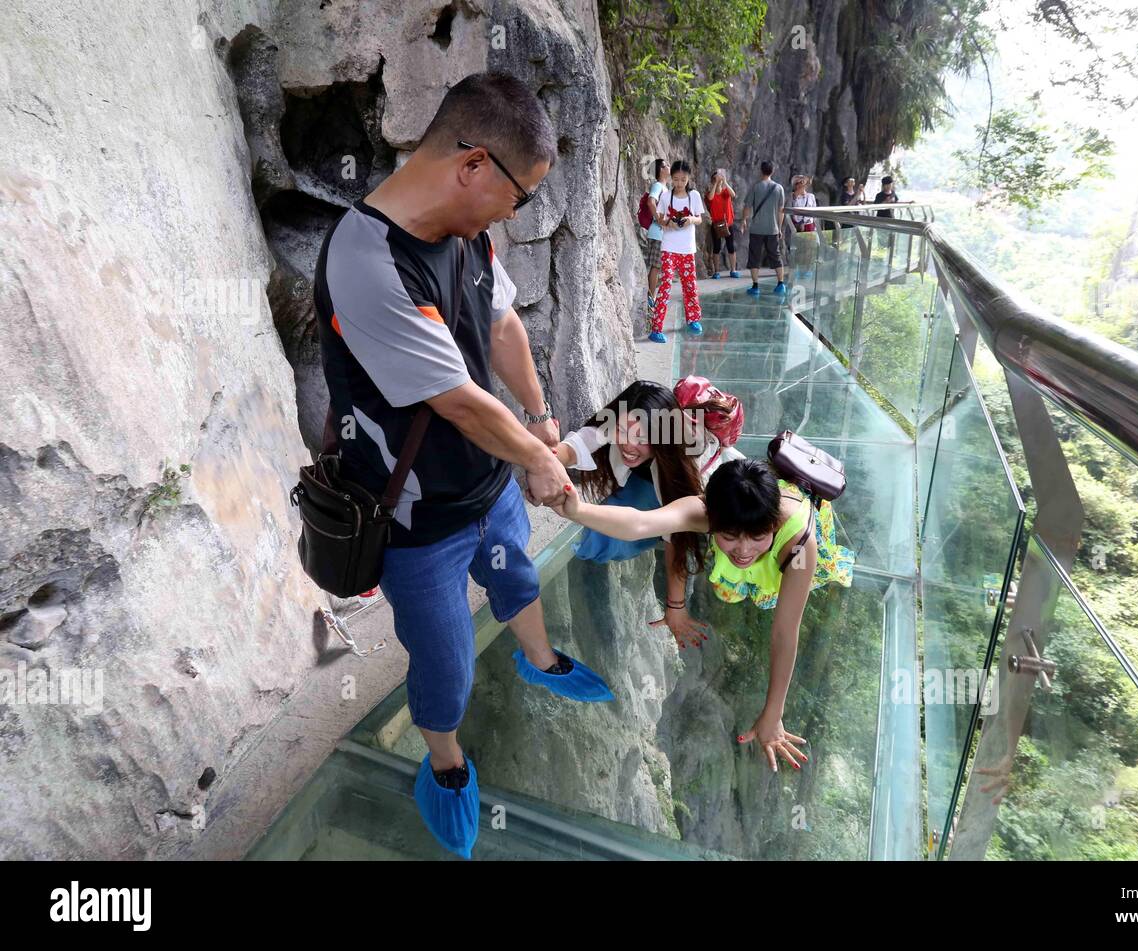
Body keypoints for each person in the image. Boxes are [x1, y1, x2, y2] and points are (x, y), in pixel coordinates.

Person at [312, 71, 614, 860]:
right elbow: (456, 399)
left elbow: (504, 321)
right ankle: (444, 765)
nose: (517, 213)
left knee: (517, 582)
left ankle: (541, 657)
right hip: (417, 518)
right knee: (445, 667)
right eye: (518, 195)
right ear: (474, 165)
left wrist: (543, 420)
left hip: (489, 487)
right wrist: (542, 463)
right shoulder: (366, 258)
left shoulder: (467, 232)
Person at [549, 458, 856, 770]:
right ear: (711, 517)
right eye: (730, 536)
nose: (744, 549)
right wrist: (577, 511)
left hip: (790, 550)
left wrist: (773, 712)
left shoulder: (800, 547)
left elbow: (784, 632)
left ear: (774, 523)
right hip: (749, 525)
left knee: (773, 582)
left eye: (756, 536)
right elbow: (641, 523)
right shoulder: (706, 510)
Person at [555, 379, 745, 581]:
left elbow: (672, 531)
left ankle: (585, 549)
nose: (628, 445)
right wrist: (546, 460)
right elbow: (584, 440)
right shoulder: (635, 415)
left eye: (642, 438)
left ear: (662, 436)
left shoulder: (688, 459)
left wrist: (675, 606)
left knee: (631, 528)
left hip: (682, 480)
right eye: (621, 431)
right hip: (654, 467)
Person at [649, 160, 705, 343]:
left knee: (690, 285)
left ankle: (693, 319)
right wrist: (669, 223)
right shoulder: (665, 197)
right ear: (671, 178)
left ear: (688, 178)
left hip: (687, 249)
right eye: (676, 179)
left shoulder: (694, 196)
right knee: (665, 286)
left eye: (683, 179)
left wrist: (689, 219)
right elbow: (661, 219)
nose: (679, 183)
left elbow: (700, 219)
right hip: (669, 248)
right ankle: (656, 328)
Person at [742, 160, 786, 296]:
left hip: (757, 229)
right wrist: (779, 228)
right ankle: (781, 285)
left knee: (754, 257)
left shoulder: (756, 187)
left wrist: (744, 220)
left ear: (761, 171)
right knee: (776, 256)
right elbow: (781, 211)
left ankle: (755, 287)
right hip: (772, 229)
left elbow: (747, 207)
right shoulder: (779, 188)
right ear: (772, 171)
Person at [705, 169, 740, 279]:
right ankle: (716, 271)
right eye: (716, 177)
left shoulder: (726, 192)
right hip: (716, 225)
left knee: (731, 247)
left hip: (728, 223)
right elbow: (710, 198)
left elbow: (733, 194)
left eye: (719, 176)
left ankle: (733, 270)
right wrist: (715, 183)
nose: (718, 178)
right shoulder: (709, 193)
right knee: (716, 248)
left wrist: (724, 182)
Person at [643, 159, 669, 309]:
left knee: (658, 266)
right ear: (660, 170)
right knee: (656, 266)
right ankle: (650, 298)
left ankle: (651, 297)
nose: (669, 167)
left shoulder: (665, 188)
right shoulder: (658, 186)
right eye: (666, 165)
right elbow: (651, 202)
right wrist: (659, 220)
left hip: (661, 234)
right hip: (657, 233)